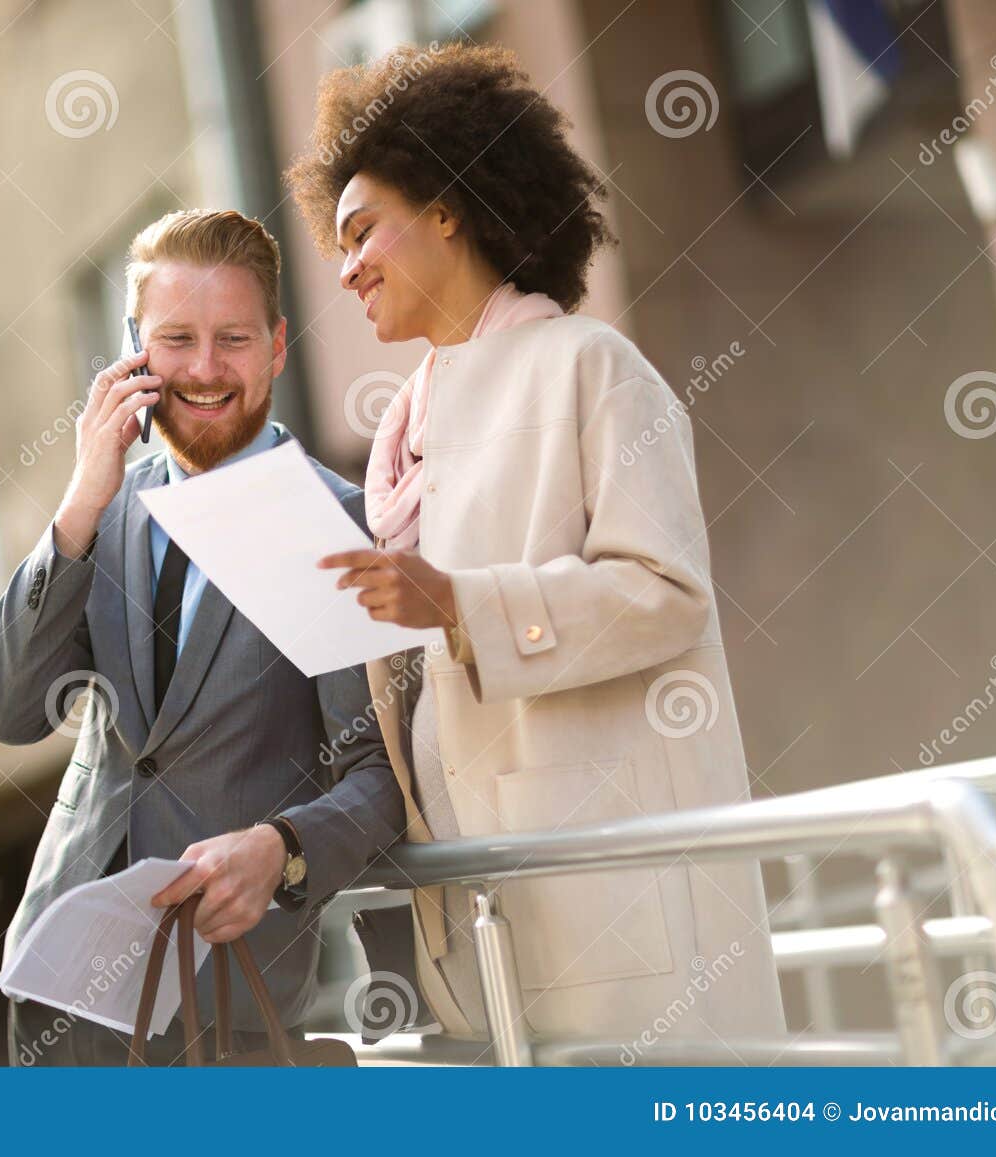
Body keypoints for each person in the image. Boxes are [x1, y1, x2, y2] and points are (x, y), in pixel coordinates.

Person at [288, 43, 786, 1044]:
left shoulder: (589, 367)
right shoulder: (399, 437)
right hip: (483, 914)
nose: (343, 270)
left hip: (618, 906)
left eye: (361, 231)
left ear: (446, 207)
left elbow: (665, 593)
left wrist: (460, 604)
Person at [0, 209, 405, 1066]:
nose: (205, 370)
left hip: (223, 1008)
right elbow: (7, 711)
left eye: (233, 339)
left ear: (278, 346)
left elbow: (387, 772)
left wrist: (283, 850)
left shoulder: (333, 525)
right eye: (177, 339)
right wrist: (77, 510)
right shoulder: (107, 513)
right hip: (58, 1005)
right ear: (133, 349)